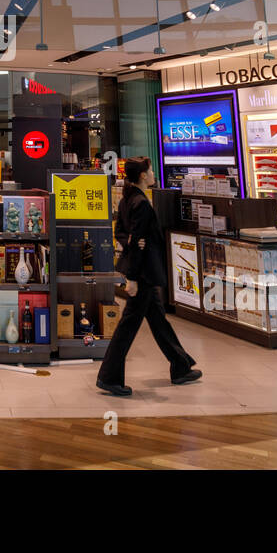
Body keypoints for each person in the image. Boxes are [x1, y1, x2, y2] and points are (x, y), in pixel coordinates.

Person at [96, 155, 200, 396]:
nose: (153, 174)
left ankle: (180, 365)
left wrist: (131, 241)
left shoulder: (127, 200)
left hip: (141, 272)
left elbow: (122, 233)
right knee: (128, 326)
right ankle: (109, 377)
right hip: (142, 273)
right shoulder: (140, 203)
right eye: (151, 170)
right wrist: (131, 277)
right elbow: (138, 244)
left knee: (158, 321)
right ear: (143, 175)